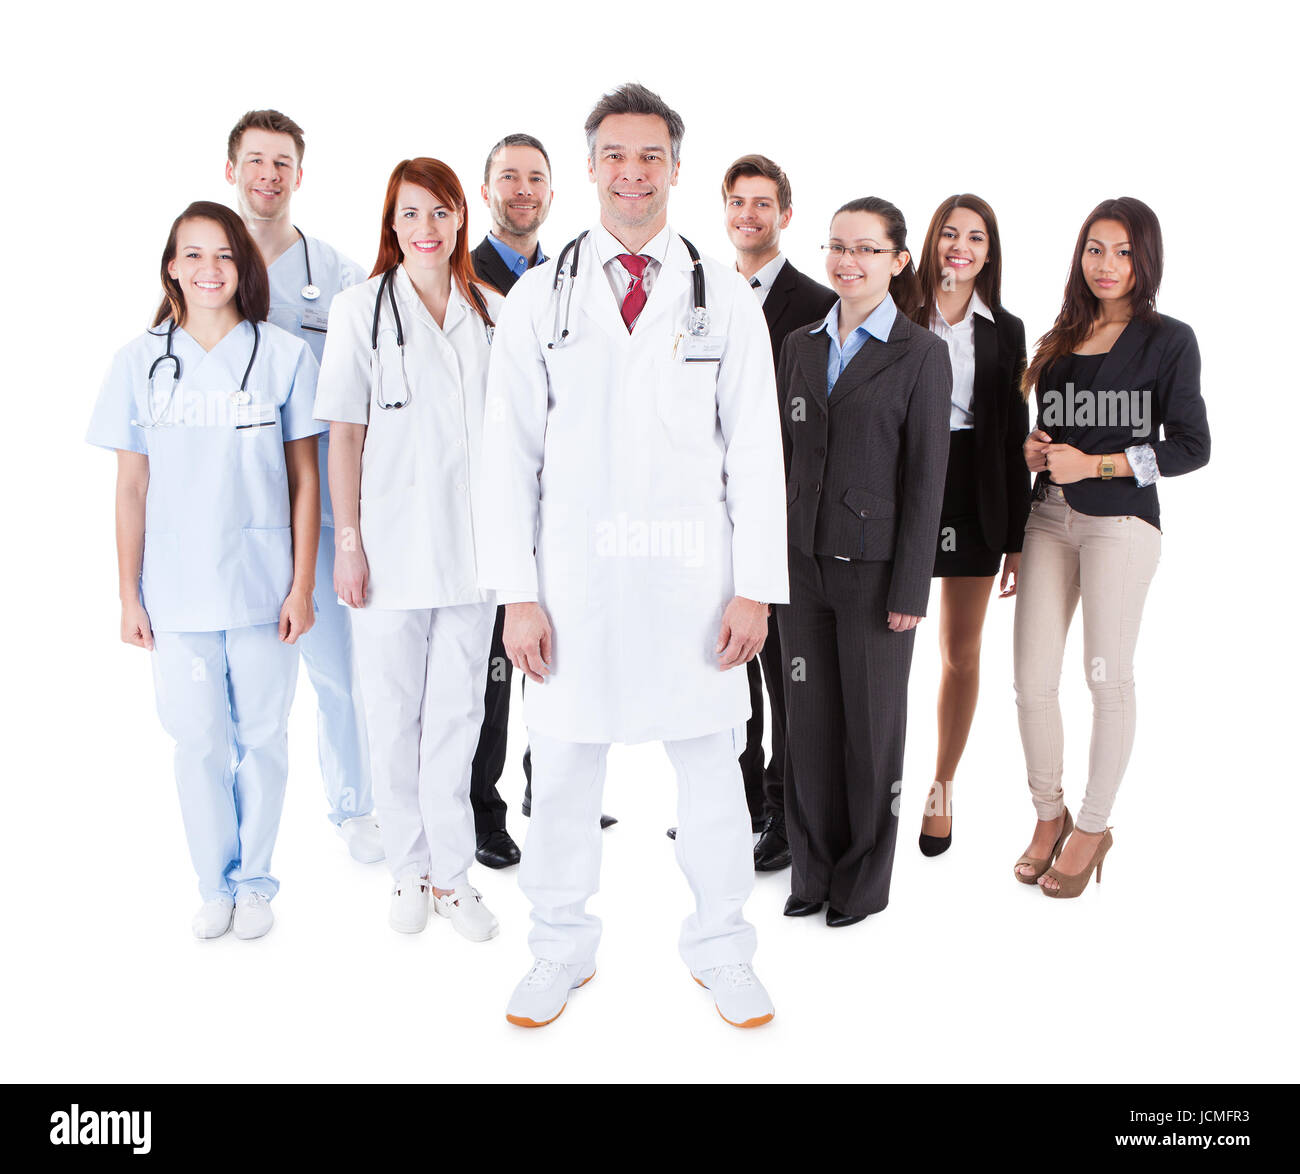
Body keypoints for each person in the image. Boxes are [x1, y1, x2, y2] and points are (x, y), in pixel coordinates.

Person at [478, 84, 788, 1029]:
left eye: (651, 156)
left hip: (697, 584)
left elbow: (757, 448)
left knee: (713, 775)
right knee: (565, 772)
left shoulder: (722, 293)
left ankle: (724, 949)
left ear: (676, 169)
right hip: (575, 586)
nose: (632, 173)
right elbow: (507, 454)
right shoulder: (542, 294)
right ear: (591, 168)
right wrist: (516, 595)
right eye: (615, 154)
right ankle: (559, 951)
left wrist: (757, 590)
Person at [87, 201, 323, 940]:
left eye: (223, 255)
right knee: (196, 743)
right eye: (193, 255)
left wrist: (302, 584)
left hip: (261, 586)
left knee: (263, 738)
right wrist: (127, 594)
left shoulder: (282, 354)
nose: (209, 269)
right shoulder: (139, 361)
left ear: (242, 266)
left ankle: (255, 882)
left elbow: (307, 481)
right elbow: (131, 488)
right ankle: (212, 883)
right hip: (178, 590)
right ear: (171, 267)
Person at [315, 158, 502, 941]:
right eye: (410, 214)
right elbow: (345, 436)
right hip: (386, 551)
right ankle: (407, 871)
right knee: (391, 717)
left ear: (462, 219)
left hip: (472, 556)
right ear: (391, 227)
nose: (426, 229)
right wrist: (348, 546)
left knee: (457, 719)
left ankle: (453, 878)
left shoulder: (491, 310)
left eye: (440, 212)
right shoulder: (361, 308)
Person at [1014, 197, 1209, 897]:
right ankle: (1048, 814)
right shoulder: (1061, 336)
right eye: (1096, 248)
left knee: (1106, 677)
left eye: (1123, 251)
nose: (1107, 264)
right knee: (1032, 682)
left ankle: (1094, 827)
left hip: (1120, 524)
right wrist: (1038, 451)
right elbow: (1053, 435)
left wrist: (1097, 466)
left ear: (1145, 259)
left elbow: (1191, 447)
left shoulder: (1169, 339)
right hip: (1047, 520)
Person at [778, 197, 950, 927]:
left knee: (871, 732)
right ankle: (811, 872)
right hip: (798, 567)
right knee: (807, 727)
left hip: (877, 572)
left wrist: (913, 583)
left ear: (898, 261)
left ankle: (861, 884)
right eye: (839, 247)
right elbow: (778, 459)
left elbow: (926, 478)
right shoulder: (798, 344)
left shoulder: (921, 353)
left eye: (868, 250)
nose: (849, 261)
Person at [225, 109, 382, 865]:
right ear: (232, 170)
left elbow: (370, 392)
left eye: (282, 162)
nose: (268, 175)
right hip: (235, 506)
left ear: (299, 174)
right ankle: (245, 829)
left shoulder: (340, 275)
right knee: (244, 678)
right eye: (256, 161)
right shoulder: (205, 270)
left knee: (339, 667)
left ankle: (355, 808)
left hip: (315, 504)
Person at [465, 133, 617, 867]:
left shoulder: (573, 276)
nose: (522, 190)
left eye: (535, 178)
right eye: (508, 178)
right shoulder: (462, 274)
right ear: (485, 190)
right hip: (492, 489)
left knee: (563, 652)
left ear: (554, 193)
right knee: (498, 668)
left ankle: (549, 790)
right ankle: (483, 811)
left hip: (569, 501)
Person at [718, 153, 836, 871]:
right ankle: (738, 807)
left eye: (763, 204)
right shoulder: (702, 292)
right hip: (712, 519)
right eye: (738, 203)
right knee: (731, 669)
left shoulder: (818, 303)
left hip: (785, 519)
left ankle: (788, 819)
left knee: (786, 681)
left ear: (784, 216)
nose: (749, 216)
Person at [908, 195, 1030, 857]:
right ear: (932, 243)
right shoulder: (894, 306)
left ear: (989, 253)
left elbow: (1013, 437)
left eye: (975, 238)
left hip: (975, 495)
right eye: (950, 234)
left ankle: (942, 788)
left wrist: (1015, 536)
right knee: (883, 650)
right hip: (902, 491)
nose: (961, 246)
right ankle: (869, 787)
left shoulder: (1005, 330)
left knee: (960, 652)